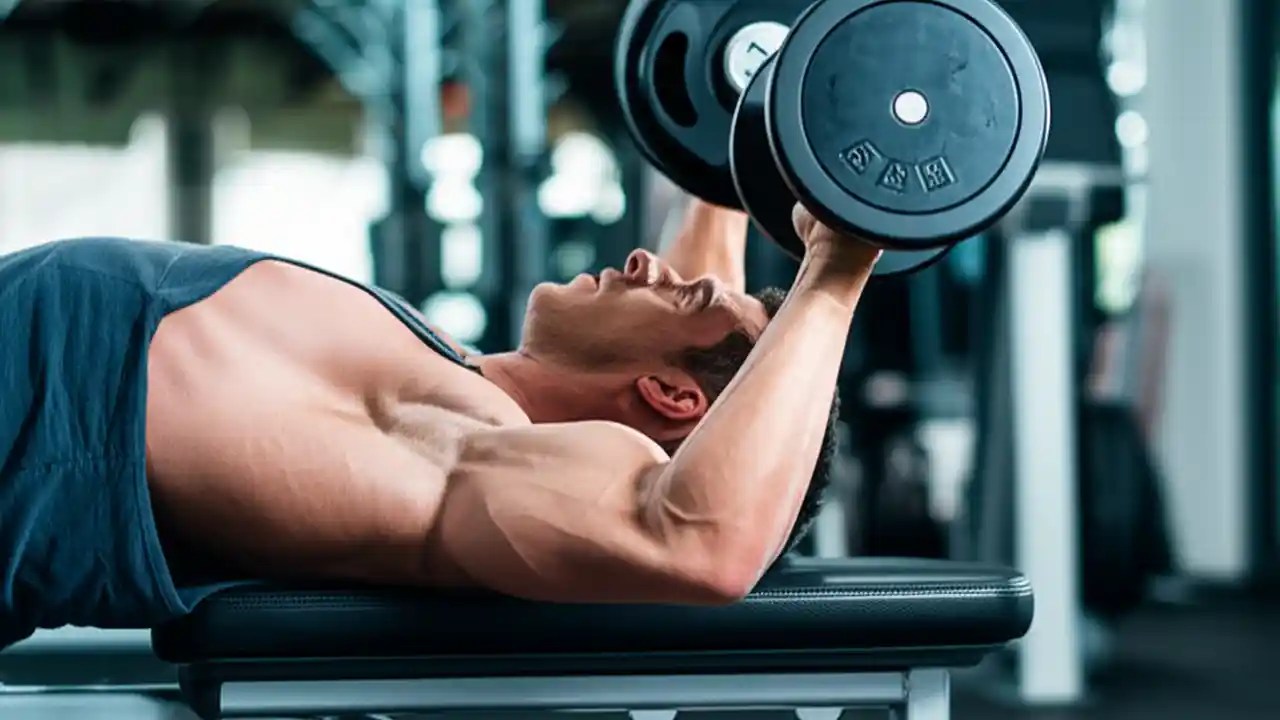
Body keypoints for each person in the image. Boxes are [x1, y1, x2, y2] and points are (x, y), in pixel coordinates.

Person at [0, 198, 880, 648]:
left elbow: (701, 542)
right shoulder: (458, 378)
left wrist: (839, 268)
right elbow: (711, 294)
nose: (652, 261)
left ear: (671, 399)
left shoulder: (470, 446)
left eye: (681, 295)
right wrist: (728, 146)